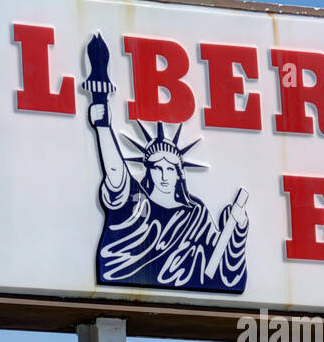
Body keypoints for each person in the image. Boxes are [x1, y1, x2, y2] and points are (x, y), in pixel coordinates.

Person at [87, 101, 248, 293]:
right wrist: (103, 128)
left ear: (179, 173)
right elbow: (115, 172)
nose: (164, 176)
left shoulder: (196, 213)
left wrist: (237, 228)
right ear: (148, 171)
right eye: (158, 168)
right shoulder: (136, 201)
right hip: (123, 276)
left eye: (170, 169)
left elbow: (217, 259)